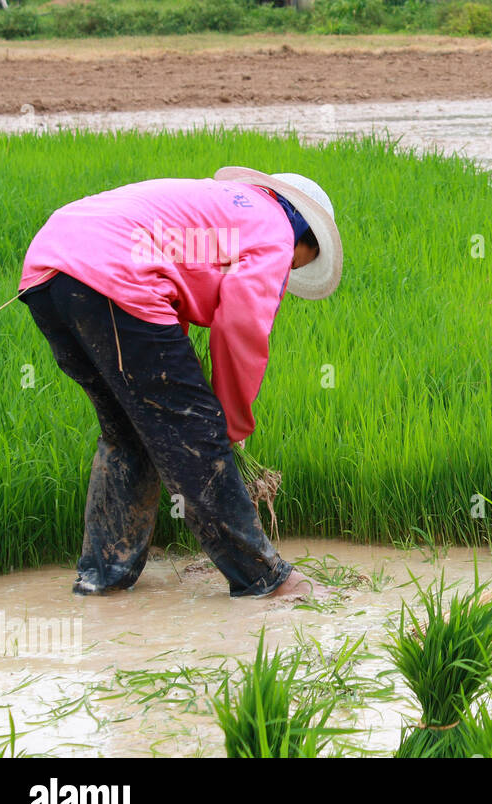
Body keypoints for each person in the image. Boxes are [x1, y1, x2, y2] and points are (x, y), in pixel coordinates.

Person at [18, 168, 344, 599]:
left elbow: (170, 318)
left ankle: (103, 577)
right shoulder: (275, 231)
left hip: (48, 270)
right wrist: (228, 424)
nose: (289, 269)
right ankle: (264, 578)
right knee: (194, 433)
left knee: (129, 432)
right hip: (114, 275)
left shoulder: (221, 205)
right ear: (304, 237)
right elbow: (240, 327)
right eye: (297, 262)